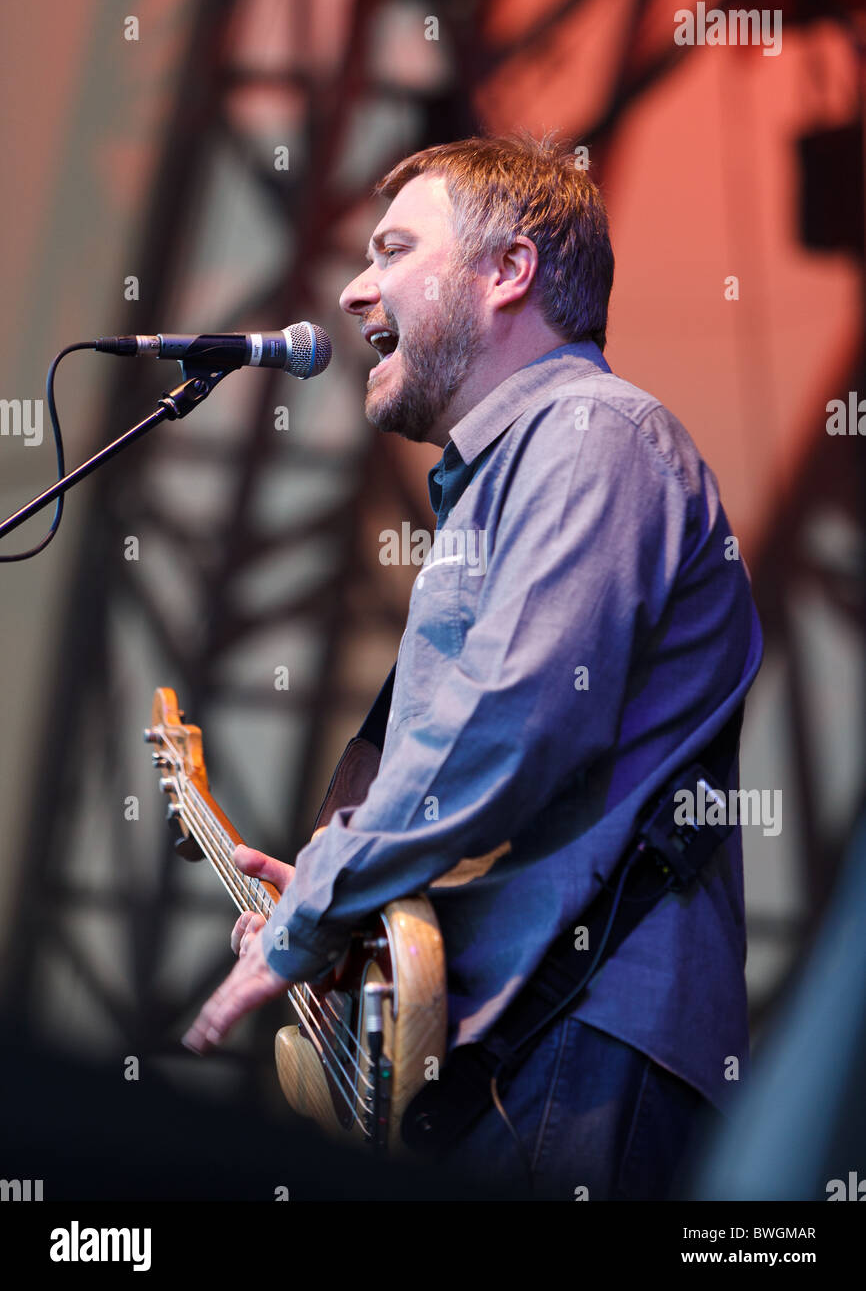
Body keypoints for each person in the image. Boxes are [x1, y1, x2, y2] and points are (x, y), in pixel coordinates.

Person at [182, 133, 764, 1200]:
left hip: (574, 1040)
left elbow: (515, 720)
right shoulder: (506, 479)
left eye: (395, 249)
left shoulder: (592, 434)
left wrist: (322, 900)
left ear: (508, 270)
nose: (354, 289)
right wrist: (361, 904)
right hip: (509, 1051)